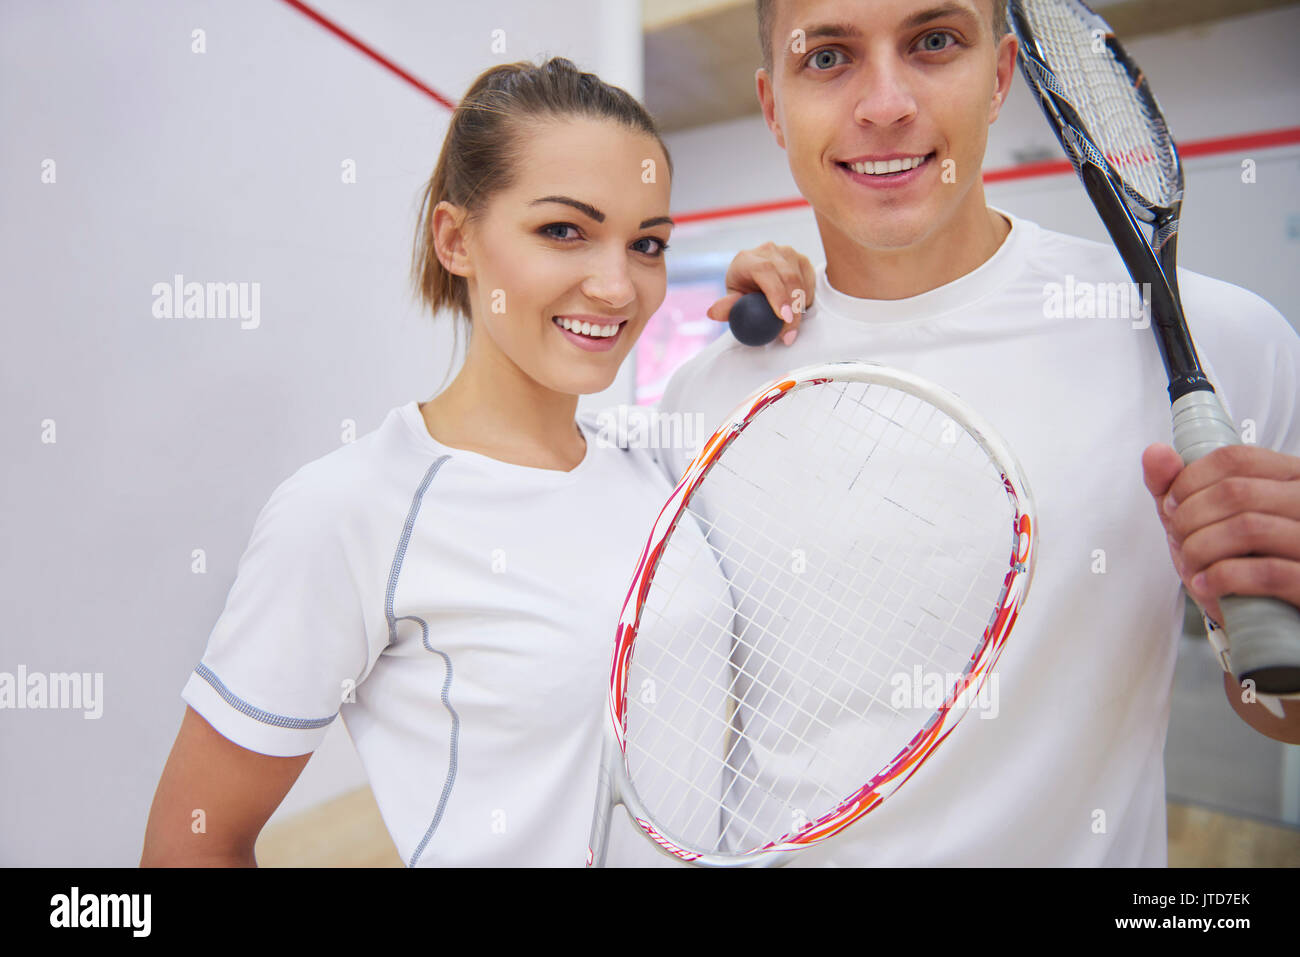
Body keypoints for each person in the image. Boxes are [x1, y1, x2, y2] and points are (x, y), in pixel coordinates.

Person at [654, 0, 1300, 865]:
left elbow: (1277, 704)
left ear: (999, 77)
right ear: (775, 108)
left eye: (933, 43)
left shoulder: (1226, 344)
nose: (885, 104)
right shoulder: (700, 403)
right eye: (829, 58)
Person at [140, 57, 788, 868]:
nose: (619, 286)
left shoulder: (651, 468)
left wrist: (805, 308)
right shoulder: (351, 509)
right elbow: (188, 845)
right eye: (564, 231)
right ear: (456, 239)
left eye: (647, 243)